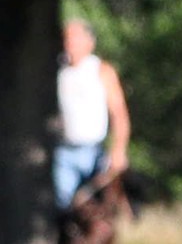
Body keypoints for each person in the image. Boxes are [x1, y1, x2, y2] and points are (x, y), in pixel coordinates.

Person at [54, 20, 131, 220]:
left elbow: (119, 113)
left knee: (98, 212)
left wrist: (118, 149)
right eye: (66, 38)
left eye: (74, 38)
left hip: (94, 151)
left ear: (89, 42)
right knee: (63, 209)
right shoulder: (57, 70)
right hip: (63, 151)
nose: (69, 43)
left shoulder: (101, 70)